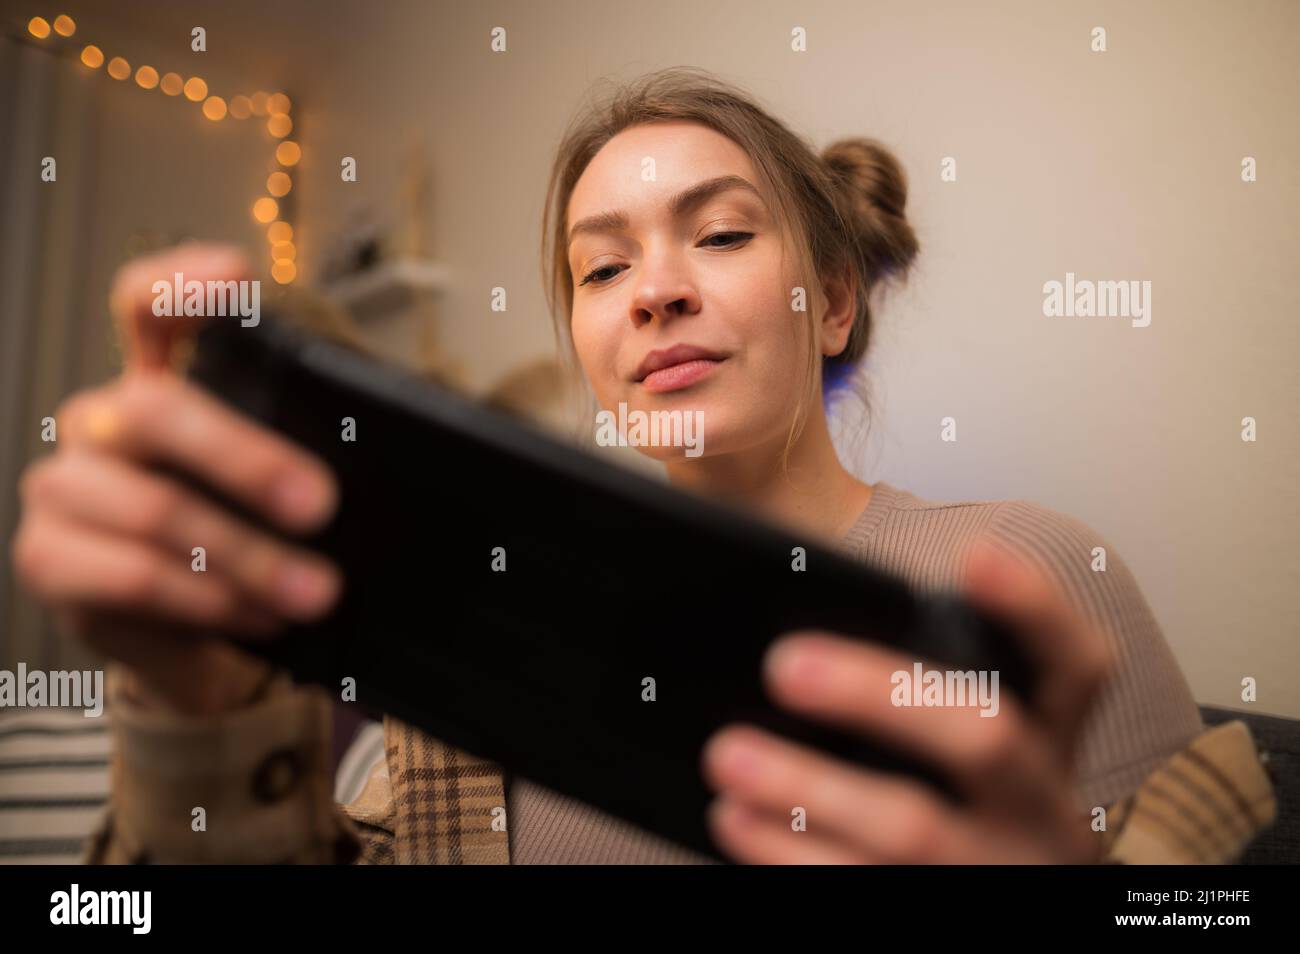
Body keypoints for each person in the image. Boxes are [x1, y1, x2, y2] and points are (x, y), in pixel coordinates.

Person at [11, 67, 1273, 864]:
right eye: (601, 268)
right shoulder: (467, 655)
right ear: (581, 340)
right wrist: (196, 710)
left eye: (719, 235)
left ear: (830, 301)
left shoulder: (1033, 579)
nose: (655, 292)